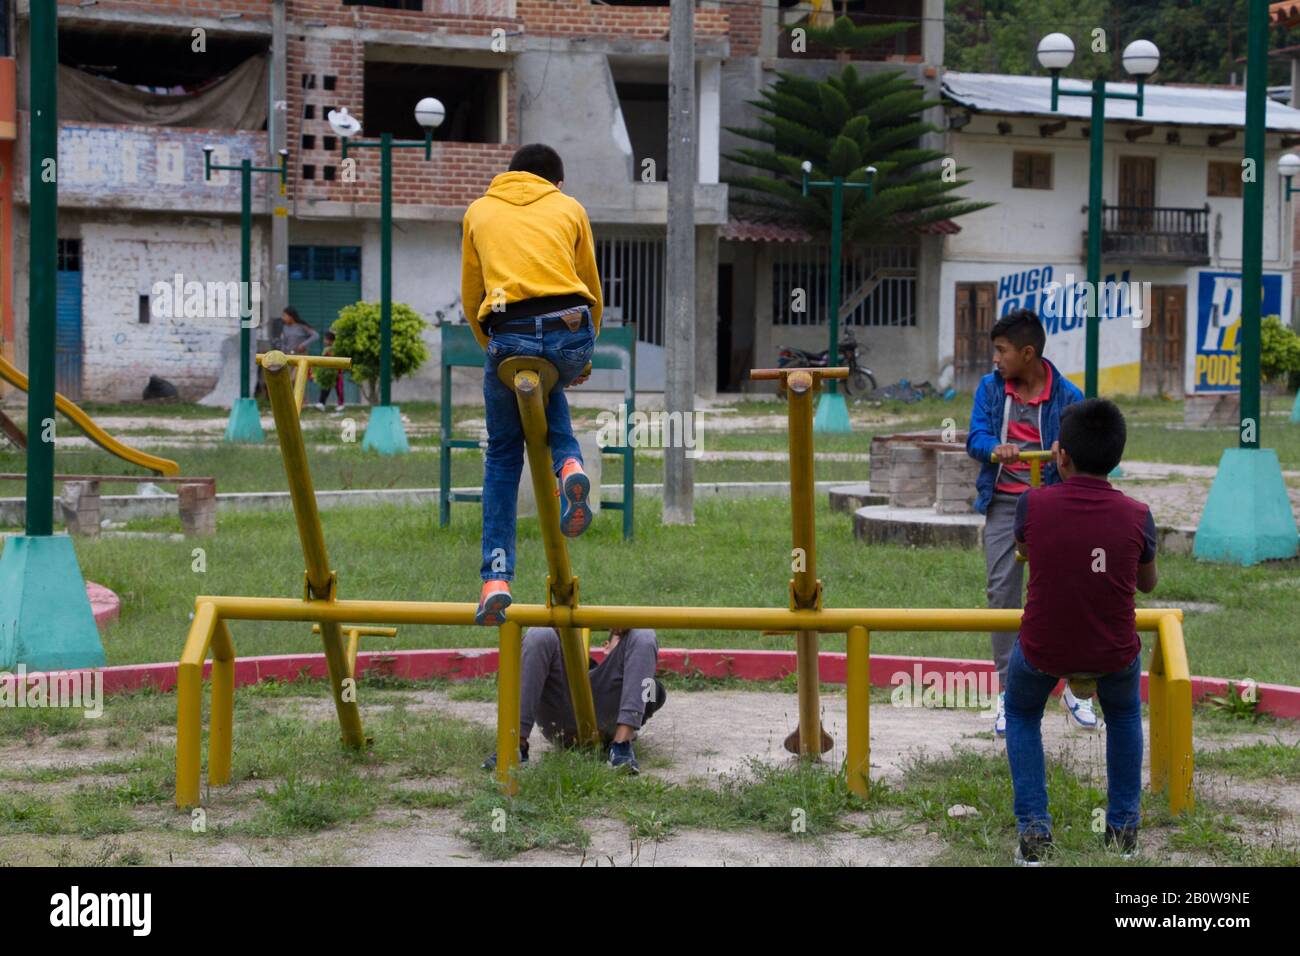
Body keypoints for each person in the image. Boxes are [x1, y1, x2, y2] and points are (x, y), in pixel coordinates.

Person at [1004, 399, 1158, 864]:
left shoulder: (1034, 503)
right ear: (1116, 457)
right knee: (1126, 717)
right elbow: (1146, 583)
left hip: (1042, 650)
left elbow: (1024, 551)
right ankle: (1123, 831)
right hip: (1113, 652)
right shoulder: (1137, 513)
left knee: (1022, 713)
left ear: (1060, 455)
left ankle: (1034, 835)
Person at [460, 143, 603, 626]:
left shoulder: (478, 211)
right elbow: (590, 284)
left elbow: (472, 293)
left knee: (503, 455)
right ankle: (567, 466)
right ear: (555, 183)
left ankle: (495, 577)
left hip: (508, 328)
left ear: (510, 174)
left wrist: (494, 351)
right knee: (551, 384)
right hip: (570, 325)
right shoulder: (570, 208)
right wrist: (582, 353)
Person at [966, 309, 1084, 737]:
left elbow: (1084, 451)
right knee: (1002, 595)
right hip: (1004, 503)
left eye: (1002, 350)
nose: (995, 358)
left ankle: (1075, 684)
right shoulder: (991, 389)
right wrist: (997, 448)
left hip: (1051, 504)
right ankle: (1006, 692)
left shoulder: (1068, 396)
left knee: (1064, 593)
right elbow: (974, 437)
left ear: (1028, 353)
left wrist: (1064, 452)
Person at [482, 627, 666, 774]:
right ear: (606, 646)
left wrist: (647, 684)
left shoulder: (648, 686)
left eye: (626, 642)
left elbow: (650, 694)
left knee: (643, 632)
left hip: (611, 711)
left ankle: (621, 746)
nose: (624, 647)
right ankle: (515, 746)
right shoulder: (568, 663)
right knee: (540, 633)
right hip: (561, 710)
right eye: (620, 641)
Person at [313, 330, 345, 413]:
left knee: (339, 388)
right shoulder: (326, 349)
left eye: (326, 339)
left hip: (337, 372)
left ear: (331, 340)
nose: (324, 341)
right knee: (325, 387)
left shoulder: (335, 349)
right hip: (328, 373)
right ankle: (321, 403)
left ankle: (341, 404)